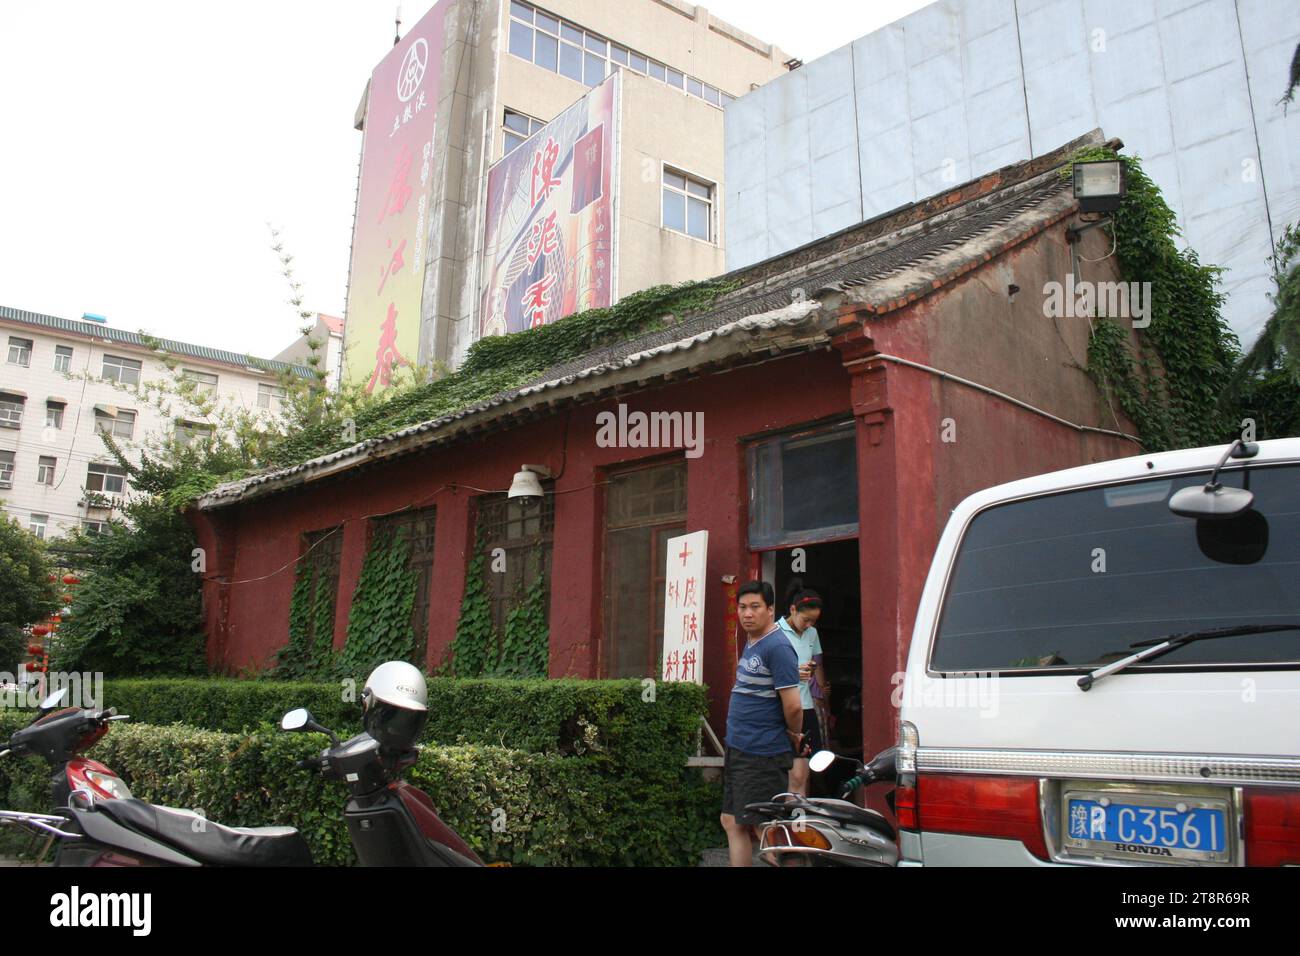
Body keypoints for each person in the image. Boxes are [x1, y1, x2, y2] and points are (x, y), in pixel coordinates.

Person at [720, 580, 804, 867]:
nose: (747, 614)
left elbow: (793, 704)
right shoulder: (752, 640)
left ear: (771, 610)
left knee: (764, 827)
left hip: (761, 752)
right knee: (732, 821)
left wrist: (794, 733)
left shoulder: (778, 646)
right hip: (740, 747)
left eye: (755, 607)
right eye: (742, 607)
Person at [777, 580, 830, 796]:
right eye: (806, 619)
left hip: (806, 708)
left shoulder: (812, 634)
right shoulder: (775, 632)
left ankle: (800, 817)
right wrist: (793, 672)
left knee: (804, 771)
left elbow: (817, 662)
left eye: (813, 621)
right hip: (782, 708)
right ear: (792, 610)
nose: (809, 625)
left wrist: (822, 692)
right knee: (786, 770)